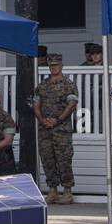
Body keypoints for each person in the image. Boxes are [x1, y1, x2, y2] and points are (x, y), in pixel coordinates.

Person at [34, 53, 78, 205]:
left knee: (64, 159)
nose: (54, 68)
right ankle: (52, 190)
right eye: (51, 65)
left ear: (61, 66)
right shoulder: (42, 85)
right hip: (45, 129)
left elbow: (71, 105)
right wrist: (42, 120)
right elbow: (36, 104)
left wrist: (57, 120)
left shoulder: (68, 84)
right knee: (47, 159)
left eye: (56, 65)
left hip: (62, 129)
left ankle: (67, 191)